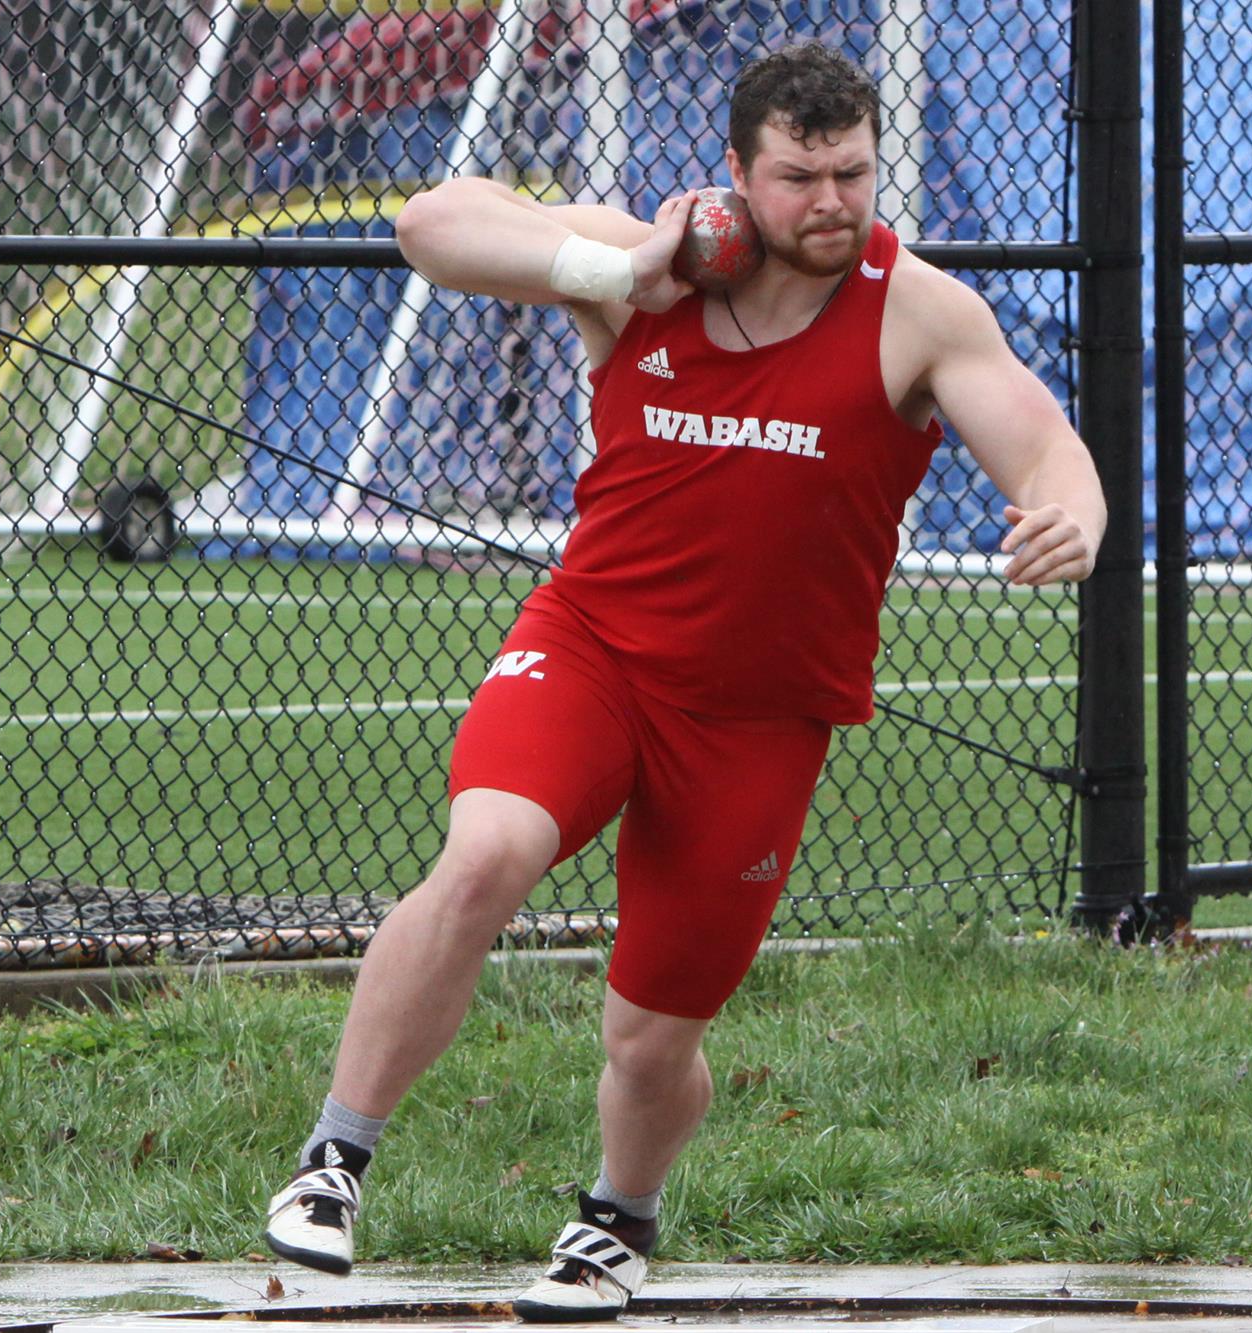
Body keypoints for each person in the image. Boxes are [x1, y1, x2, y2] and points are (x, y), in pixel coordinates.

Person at [261, 39, 1105, 1317]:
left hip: (760, 718)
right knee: (485, 850)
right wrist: (613, 269)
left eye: (852, 174)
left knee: (651, 1033)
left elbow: (1048, 446)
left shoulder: (917, 308)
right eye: (799, 178)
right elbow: (429, 221)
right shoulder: (645, 272)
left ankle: (616, 1216)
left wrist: (1068, 516)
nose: (831, 203)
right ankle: (335, 1160)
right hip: (592, 651)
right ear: (736, 173)